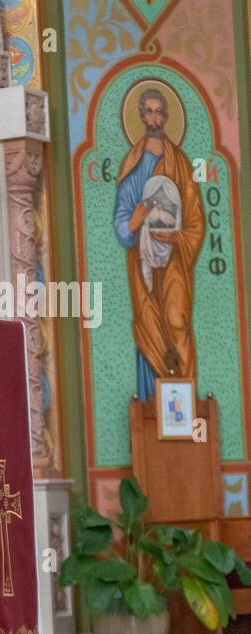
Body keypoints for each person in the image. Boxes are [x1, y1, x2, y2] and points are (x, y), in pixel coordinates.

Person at [112, 86, 203, 401]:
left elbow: (195, 220)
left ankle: (185, 404)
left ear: (167, 115)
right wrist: (134, 224)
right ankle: (152, 404)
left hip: (175, 261)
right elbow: (122, 218)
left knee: (178, 322)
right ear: (141, 116)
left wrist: (177, 236)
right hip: (143, 263)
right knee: (149, 325)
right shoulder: (133, 164)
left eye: (159, 111)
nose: (154, 117)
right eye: (148, 111)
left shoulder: (180, 163)